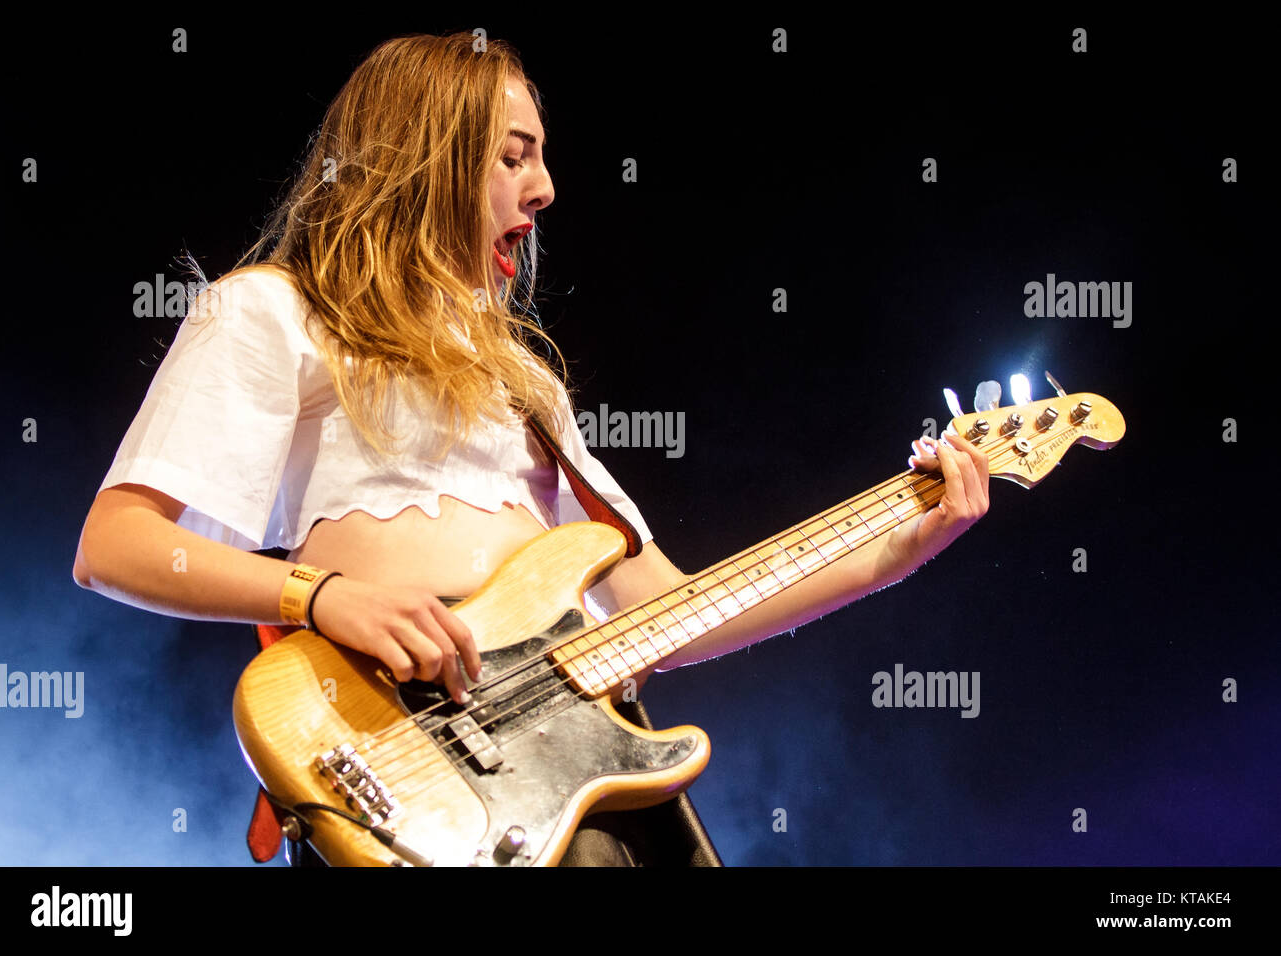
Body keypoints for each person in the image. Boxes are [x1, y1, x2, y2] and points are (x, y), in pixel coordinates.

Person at [72, 32, 990, 866]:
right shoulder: (275, 310)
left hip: (580, 764)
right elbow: (114, 546)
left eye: (542, 159)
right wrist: (321, 595)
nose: (545, 188)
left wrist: (902, 544)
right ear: (418, 160)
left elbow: (666, 612)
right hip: (415, 763)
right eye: (513, 156)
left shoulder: (525, 382)